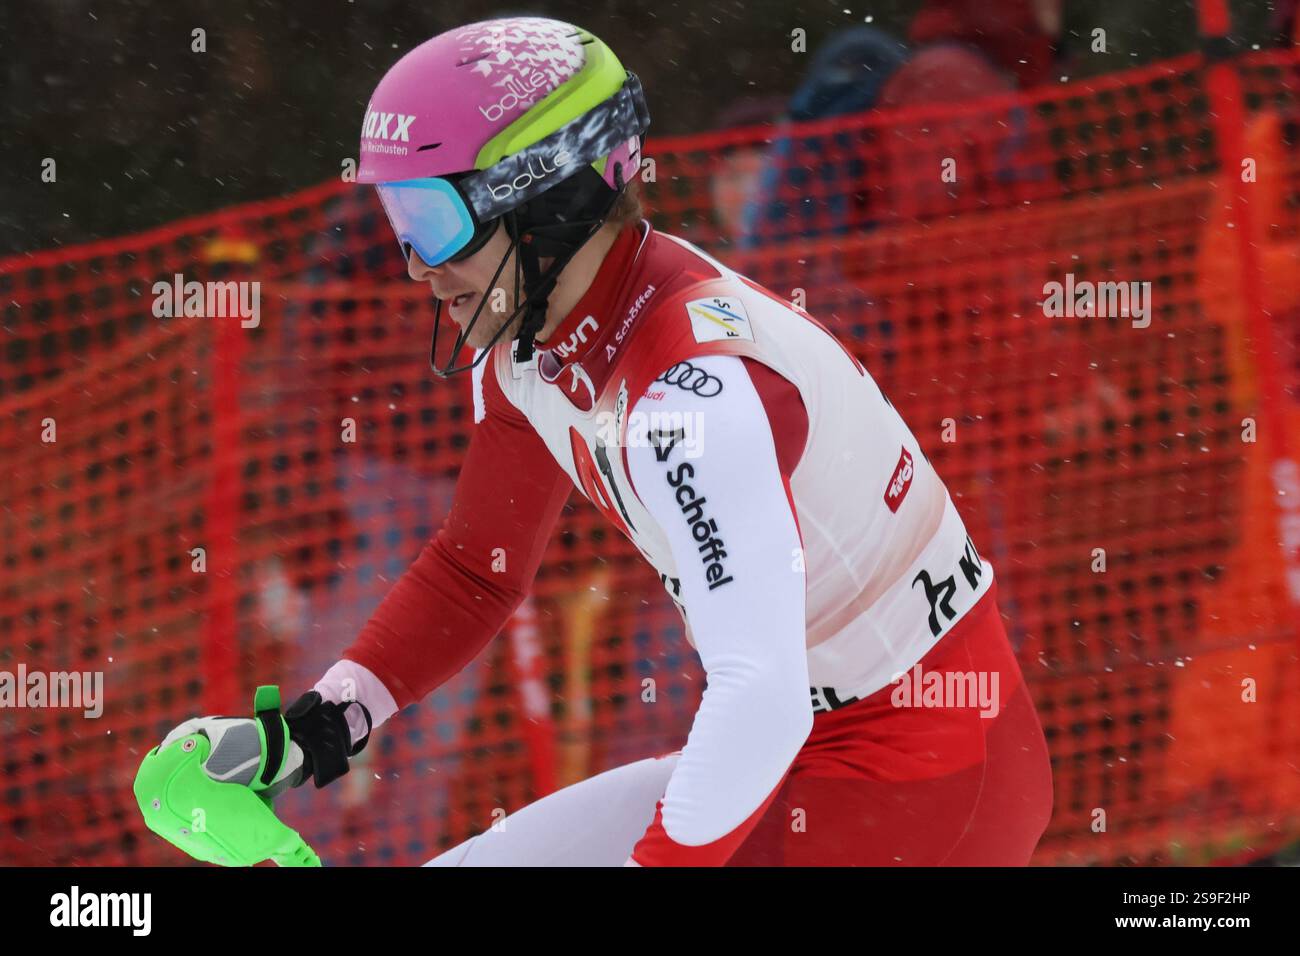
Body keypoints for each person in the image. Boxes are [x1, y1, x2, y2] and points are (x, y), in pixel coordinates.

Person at [153, 15, 1052, 867]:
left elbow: (760, 700)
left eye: (431, 222)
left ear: (548, 199)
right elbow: (475, 571)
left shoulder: (692, 400)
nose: (417, 267)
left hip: (927, 787)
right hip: (805, 756)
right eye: (398, 224)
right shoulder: (526, 343)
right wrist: (314, 727)